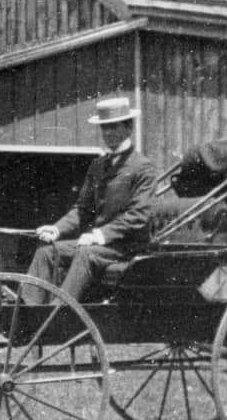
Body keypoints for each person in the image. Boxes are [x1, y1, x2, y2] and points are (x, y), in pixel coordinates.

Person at [23, 97, 157, 303]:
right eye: (104, 128)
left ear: (128, 127)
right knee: (46, 253)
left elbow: (139, 215)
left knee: (85, 254)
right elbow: (82, 209)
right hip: (99, 246)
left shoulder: (142, 167)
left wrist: (99, 235)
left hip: (126, 246)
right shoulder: (97, 166)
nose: (108, 133)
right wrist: (57, 229)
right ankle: (28, 313)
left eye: (113, 127)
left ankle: (58, 314)